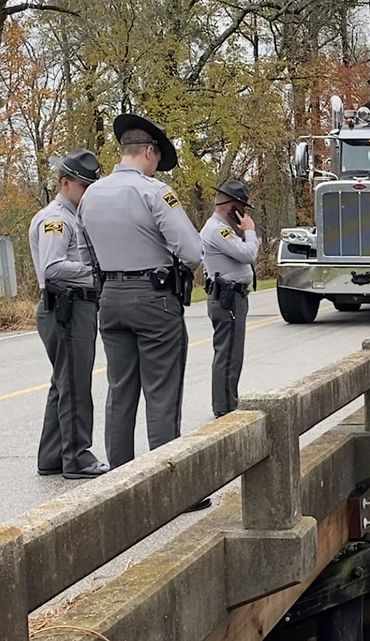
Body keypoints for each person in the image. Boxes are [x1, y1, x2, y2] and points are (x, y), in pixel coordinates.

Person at [80, 114, 208, 511]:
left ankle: (120, 482)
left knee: (120, 390)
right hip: (153, 299)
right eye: (157, 158)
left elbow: (86, 255)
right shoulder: (155, 192)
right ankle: (168, 488)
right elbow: (192, 251)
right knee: (161, 392)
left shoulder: (91, 194)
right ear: (149, 153)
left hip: (110, 297)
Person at [27, 149, 109, 479]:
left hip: (72, 306)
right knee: (74, 384)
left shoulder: (75, 216)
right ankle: (77, 456)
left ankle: (51, 456)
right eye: (84, 186)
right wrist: (95, 274)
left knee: (63, 383)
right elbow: (52, 268)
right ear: (65, 183)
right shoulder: (56, 219)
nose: (89, 192)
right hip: (67, 307)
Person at [200, 180, 258, 418]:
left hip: (231, 296)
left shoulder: (221, 229)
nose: (243, 214)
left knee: (232, 353)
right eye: (242, 208)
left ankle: (227, 400)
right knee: (228, 354)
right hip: (227, 297)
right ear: (232, 207)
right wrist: (249, 231)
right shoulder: (218, 229)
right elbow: (248, 254)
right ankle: (225, 407)